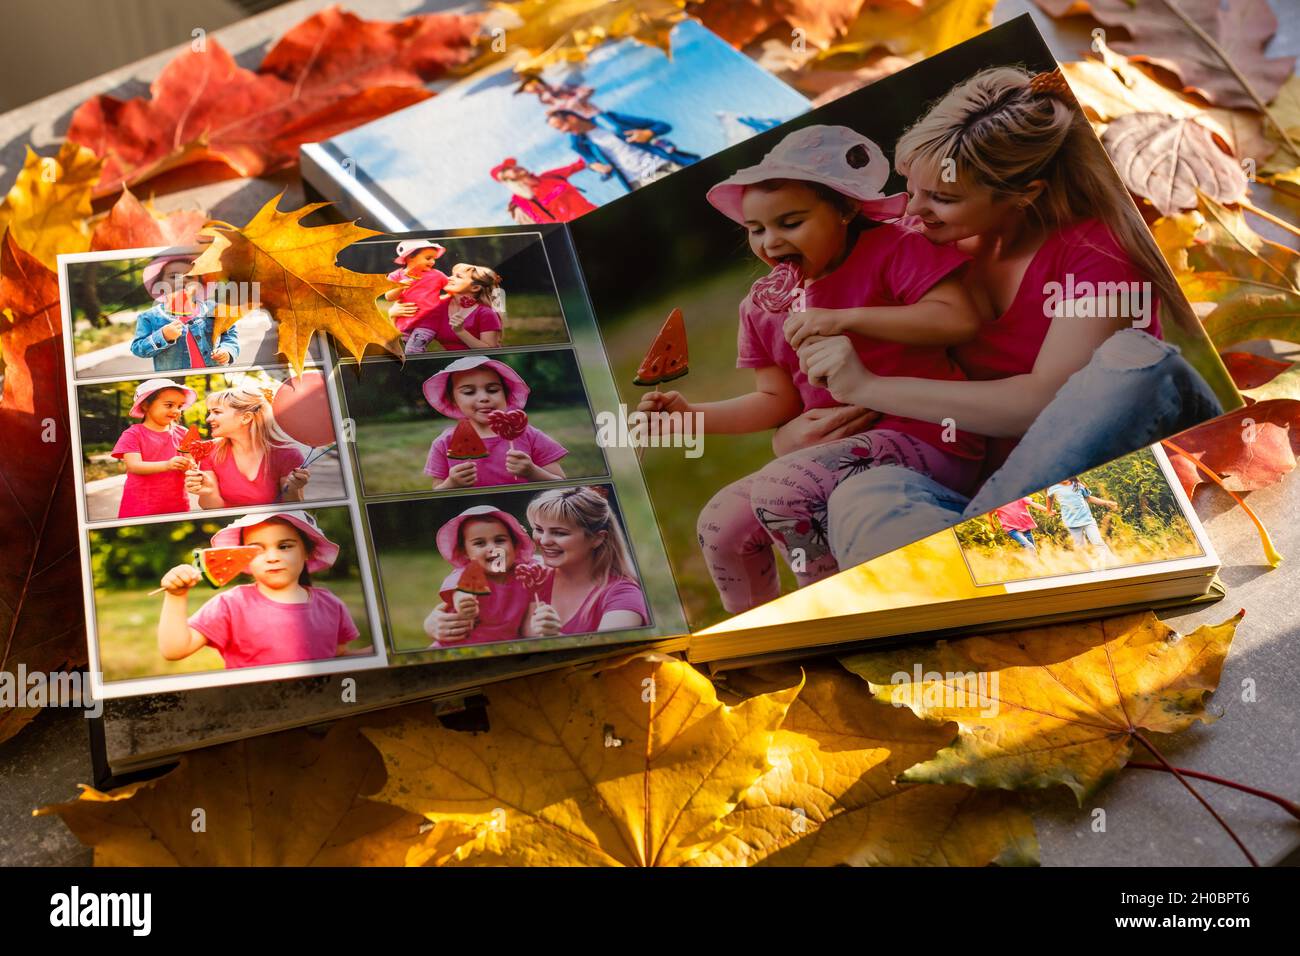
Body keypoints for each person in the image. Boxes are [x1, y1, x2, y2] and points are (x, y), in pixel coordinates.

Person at [778, 67, 1223, 571]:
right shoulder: (919, 244)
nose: (912, 209)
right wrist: (791, 438)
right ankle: (971, 571)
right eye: (912, 187)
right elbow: (858, 374)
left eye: (943, 198)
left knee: (1137, 361)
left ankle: (968, 564)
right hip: (961, 495)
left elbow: (1040, 407)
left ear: (1023, 194)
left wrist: (868, 387)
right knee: (864, 495)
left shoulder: (1097, 253)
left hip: (1095, 489)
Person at [639, 124, 985, 613]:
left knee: (782, 493)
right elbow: (774, 401)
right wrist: (688, 415)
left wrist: (844, 318)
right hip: (834, 453)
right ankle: (761, 629)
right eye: (756, 230)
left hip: (932, 435)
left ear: (843, 209)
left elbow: (957, 319)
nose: (770, 241)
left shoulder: (894, 250)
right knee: (718, 525)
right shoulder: (760, 308)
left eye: (791, 222)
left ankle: (833, 614)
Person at [157, 511, 364, 668]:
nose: (272, 557)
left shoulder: (331, 604)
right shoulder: (230, 604)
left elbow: (338, 656)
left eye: (284, 546)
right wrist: (176, 596)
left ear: (307, 551)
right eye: (256, 549)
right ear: (242, 556)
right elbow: (174, 649)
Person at [423, 356, 568, 489]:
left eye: (493, 390)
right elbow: (437, 491)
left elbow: (562, 483)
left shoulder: (530, 435)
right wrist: (451, 483)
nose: (484, 398)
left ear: (506, 394)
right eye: (469, 392)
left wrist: (533, 472)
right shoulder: (443, 443)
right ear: (453, 400)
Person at [526, 486, 648, 635]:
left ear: (597, 538)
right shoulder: (532, 576)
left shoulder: (623, 595)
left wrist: (555, 637)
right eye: (539, 530)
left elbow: (609, 651)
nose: (544, 541)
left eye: (559, 533)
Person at [424, 504, 538, 646]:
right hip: (459, 646)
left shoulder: (525, 575)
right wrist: (464, 602)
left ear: (514, 545)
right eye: (480, 543)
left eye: (500, 540)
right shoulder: (467, 573)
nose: (492, 548)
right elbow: (461, 592)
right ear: (465, 552)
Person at [186, 386, 311, 508]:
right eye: (210, 412)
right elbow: (212, 507)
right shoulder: (210, 451)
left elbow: (294, 509)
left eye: (217, 412)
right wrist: (208, 492)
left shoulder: (287, 454)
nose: (208, 419)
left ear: (246, 418)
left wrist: (293, 489)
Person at [130, 253, 238, 371]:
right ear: (160, 283)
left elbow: (230, 336)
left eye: (190, 276)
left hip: (211, 375)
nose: (182, 280)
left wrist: (227, 351)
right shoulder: (149, 317)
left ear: (199, 284)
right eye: (174, 276)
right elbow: (137, 349)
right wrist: (163, 336)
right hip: (174, 381)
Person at [547, 109, 699, 192]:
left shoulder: (609, 119)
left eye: (560, 126)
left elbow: (662, 125)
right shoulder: (579, 143)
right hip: (639, 182)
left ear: (572, 118)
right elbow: (590, 161)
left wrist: (648, 133)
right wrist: (594, 166)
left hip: (661, 166)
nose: (561, 132)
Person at [110, 378, 197, 518]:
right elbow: (134, 465)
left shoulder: (183, 433)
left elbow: (191, 461)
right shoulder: (133, 434)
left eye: (179, 407)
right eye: (169, 405)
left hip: (177, 504)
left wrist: (191, 466)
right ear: (145, 406)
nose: (176, 411)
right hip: (140, 506)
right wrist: (167, 465)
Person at [393, 262, 505, 352]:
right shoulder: (438, 305)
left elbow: (491, 352)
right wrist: (392, 315)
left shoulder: (486, 313)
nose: (449, 278)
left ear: (475, 288)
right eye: (452, 274)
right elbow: (403, 335)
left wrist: (461, 331)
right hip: (451, 365)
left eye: (458, 277)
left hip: (481, 367)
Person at [490, 156, 597, 224]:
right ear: (505, 179)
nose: (514, 167)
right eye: (507, 169)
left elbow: (580, 164)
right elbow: (543, 226)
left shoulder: (550, 176)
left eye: (512, 165)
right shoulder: (520, 201)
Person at [384, 240, 449, 349]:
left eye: (434, 258)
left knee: (413, 350)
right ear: (410, 257)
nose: (433, 262)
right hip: (403, 322)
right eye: (428, 258)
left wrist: (443, 300)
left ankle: (415, 364)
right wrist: (399, 287)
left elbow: (452, 287)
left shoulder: (437, 275)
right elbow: (388, 297)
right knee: (400, 351)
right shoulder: (396, 276)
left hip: (428, 322)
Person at [1044, 477, 1117, 565]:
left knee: (1098, 542)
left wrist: (1106, 503)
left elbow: (1089, 498)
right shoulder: (1053, 487)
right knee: (1080, 548)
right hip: (1071, 523)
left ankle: (1112, 562)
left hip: (1087, 520)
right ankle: (1088, 566)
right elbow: (1049, 497)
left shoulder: (1078, 485)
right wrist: (1049, 511)